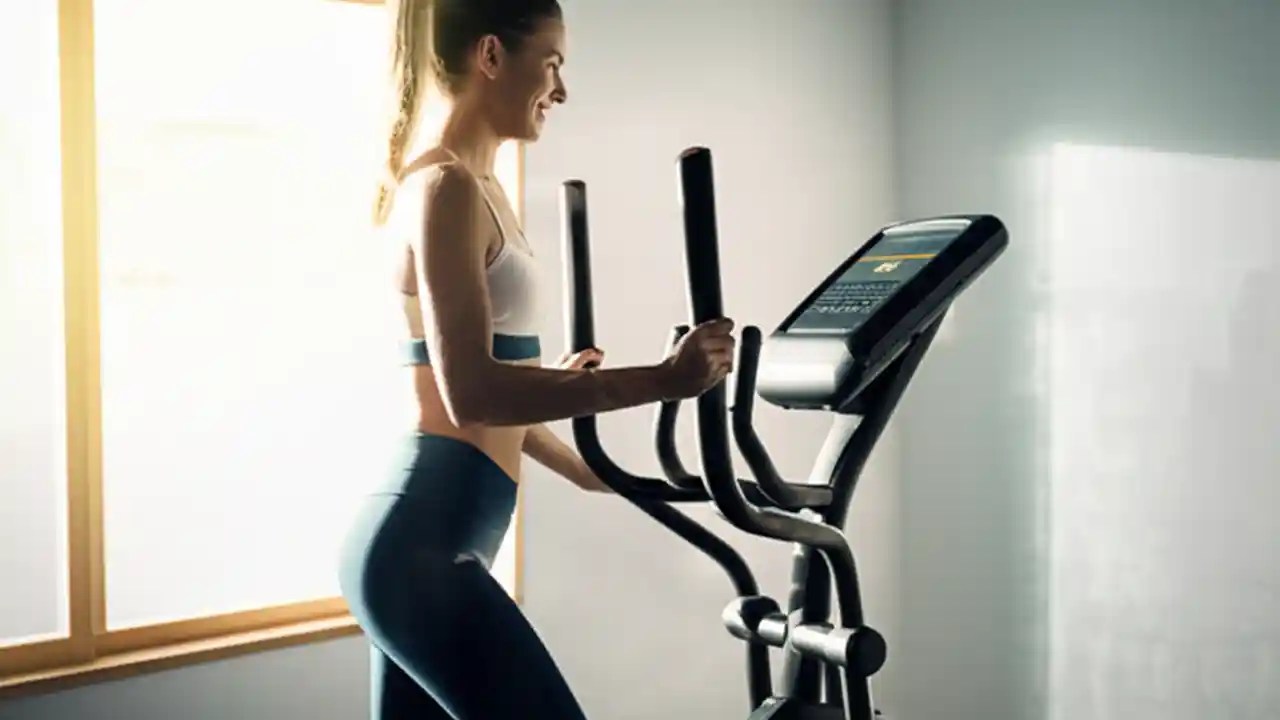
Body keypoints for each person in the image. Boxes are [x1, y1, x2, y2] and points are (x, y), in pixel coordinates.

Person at [336, 1, 737, 718]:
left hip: (441, 538)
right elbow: (473, 397)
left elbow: (491, 396)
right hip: (421, 546)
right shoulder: (445, 187)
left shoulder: (485, 188)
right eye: (551, 63)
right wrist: (663, 379)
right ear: (492, 56)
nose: (561, 89)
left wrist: (595, 469)